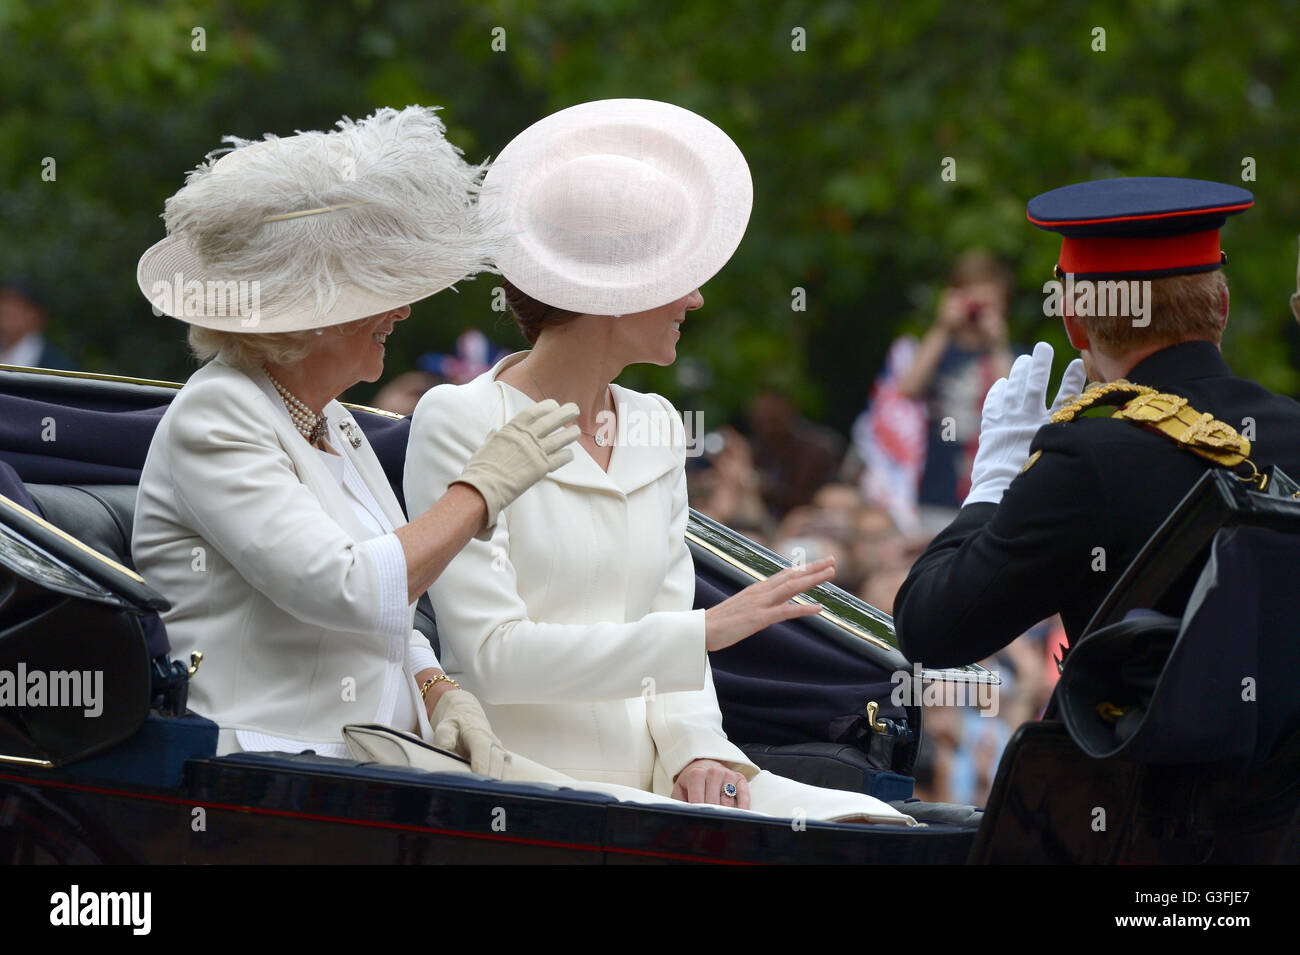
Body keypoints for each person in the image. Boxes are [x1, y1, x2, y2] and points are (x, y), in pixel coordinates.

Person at [405, 99, 913, 824]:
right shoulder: (461, 418)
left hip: (664, 779)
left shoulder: (654, 422)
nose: (697, 297)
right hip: (527, 783)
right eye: (679, 275)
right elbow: (492, 658)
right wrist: (702, 632)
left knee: (880, 829)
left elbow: (670, 636)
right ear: (617, 289)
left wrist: (701, 753)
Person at [131, 107, 579, 764]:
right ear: (307, 313)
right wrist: (479, 490)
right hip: (269, 774)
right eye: (378, 289)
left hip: (376, 761)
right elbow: (347, 587)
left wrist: (434, 686)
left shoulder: (330, 417)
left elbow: (395, 594)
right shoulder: (218, 414)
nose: (400, 309)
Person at [894, 177, 1300, 669]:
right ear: (1222, 307)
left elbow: (928, 629)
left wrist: (992, 487)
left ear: (1074, 322)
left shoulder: (1086, 461)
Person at [0, 278, 75, 370]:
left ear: (37, 316)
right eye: (4, 304)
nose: (6, 312)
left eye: (17, 307)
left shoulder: (58, 367)